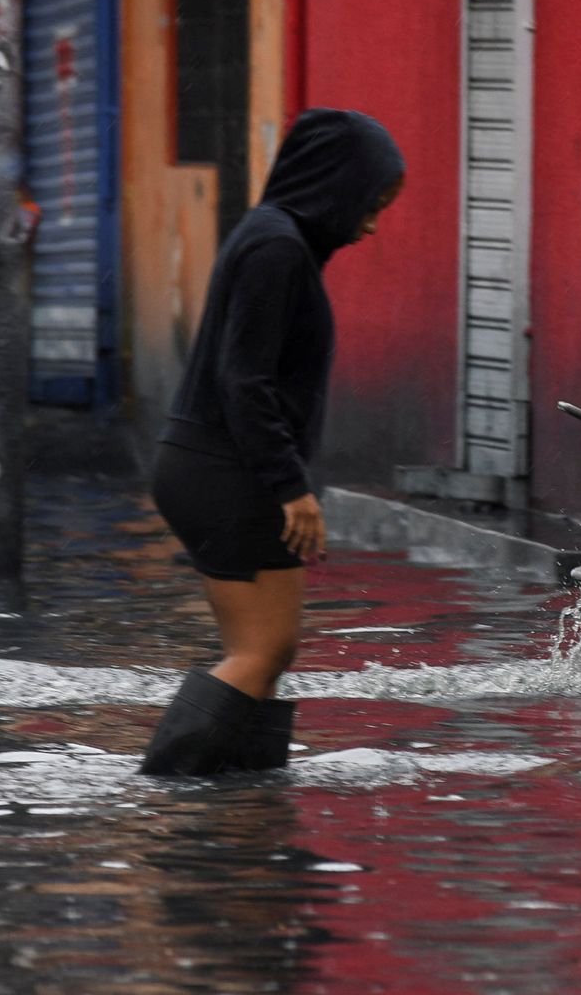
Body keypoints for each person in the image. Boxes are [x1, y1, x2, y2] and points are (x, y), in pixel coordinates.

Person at [140, 109, 405, 776]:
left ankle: (238, 800)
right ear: (334, 185)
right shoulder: (276, 248)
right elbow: (244, 379)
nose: (372, 227)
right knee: (262, 652)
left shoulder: (270, 238)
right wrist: (292, 489)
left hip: (209, 466)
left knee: (266, 652)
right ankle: (170, 791)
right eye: (370, 205)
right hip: (230, 473)